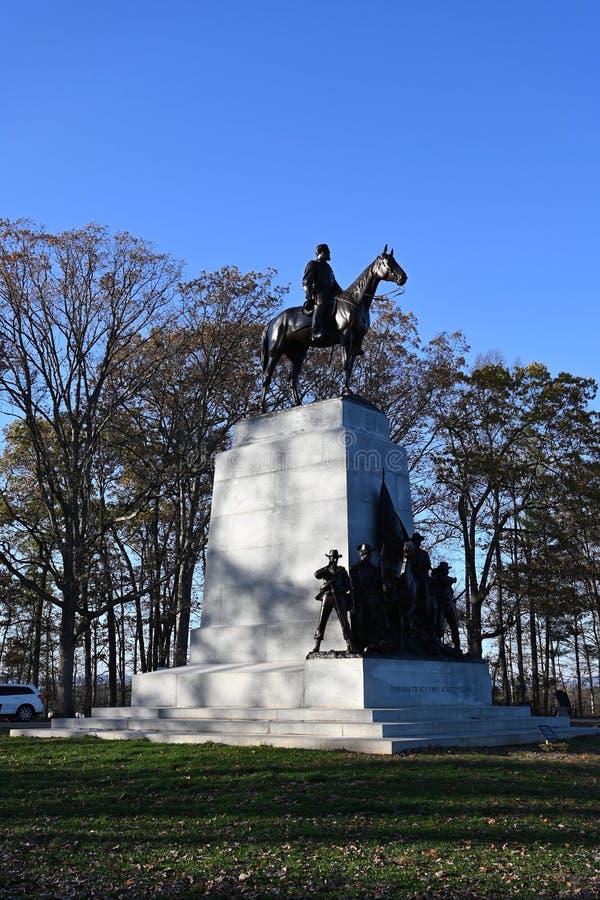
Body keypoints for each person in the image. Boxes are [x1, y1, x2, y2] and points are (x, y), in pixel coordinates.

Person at [312, 549, 356, 653]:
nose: (334, 559)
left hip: (339, 597)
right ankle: (317, 645)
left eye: (336, 558)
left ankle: (349, 644)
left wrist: (338, 590)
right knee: (322, 621)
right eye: (332, 557)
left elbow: (348, 586)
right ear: (329, 558)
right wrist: (327, 566)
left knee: (344, 621)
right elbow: (316, 574)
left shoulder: (342, 571)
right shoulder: (326, 570)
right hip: (327, 597)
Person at [350, 543, 389, 651]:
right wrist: (364, 591)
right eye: (366, 554)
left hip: (372, 600)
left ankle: (372, 644)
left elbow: (378, 587)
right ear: (361, 554)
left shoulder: (375, 570)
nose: (368, 556)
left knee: (373, 621)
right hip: (360, 599)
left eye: (369, 554)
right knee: (360, 621)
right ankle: (359, 644)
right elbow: (353, 584)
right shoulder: (354, 569)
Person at [302, 243, 342, 343]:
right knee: (322, 301)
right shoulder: (313, 264)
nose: (329, 253)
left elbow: (334, 283)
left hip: (330, 293)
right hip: (319, 293)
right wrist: (309, 295)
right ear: (320, 252)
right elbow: (307, 280)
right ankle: (315, 331)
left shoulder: (328, 268)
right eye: (327, 251)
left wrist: (343, 293)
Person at [430, 561, 461, 650]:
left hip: (450, 604)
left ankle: (457, 645)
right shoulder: (435, 579)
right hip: (441, 605)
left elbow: (452, 580)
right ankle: (437, 643)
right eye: (446, 569)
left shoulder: (446, 579)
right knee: (440, 626)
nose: (447, 571)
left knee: (454, 625)